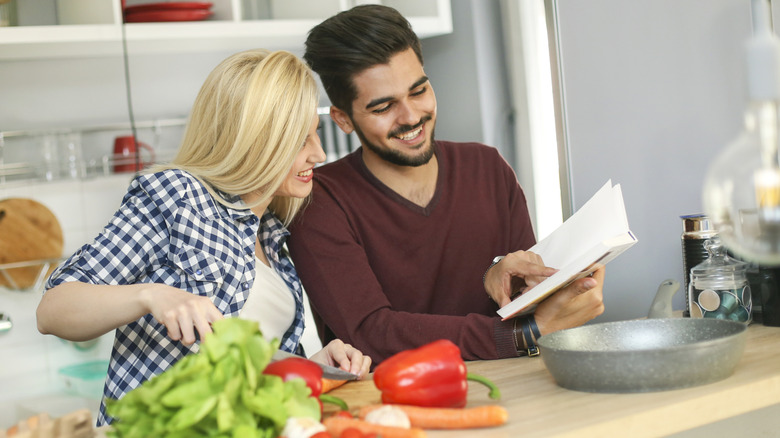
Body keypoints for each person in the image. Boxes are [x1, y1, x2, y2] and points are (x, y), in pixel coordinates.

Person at [36, 49, 371, 426]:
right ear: (255, 139)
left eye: (316, 134)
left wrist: (312, 367)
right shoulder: (178, 196)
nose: (319, 154)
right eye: (300, 141)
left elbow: (251, 375)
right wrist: (152, 295)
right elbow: (53, 310)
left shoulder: (273, 233)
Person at [286, 5, 606, 365]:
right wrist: (523, 335)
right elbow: (371, 334)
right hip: (394, 405)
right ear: (343, 119)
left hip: (515, 387)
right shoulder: (318, 201)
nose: (410, 117)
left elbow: (528, 305)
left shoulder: (487, 168)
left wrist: (550, 283)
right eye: (382, 108)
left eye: (419, 90)